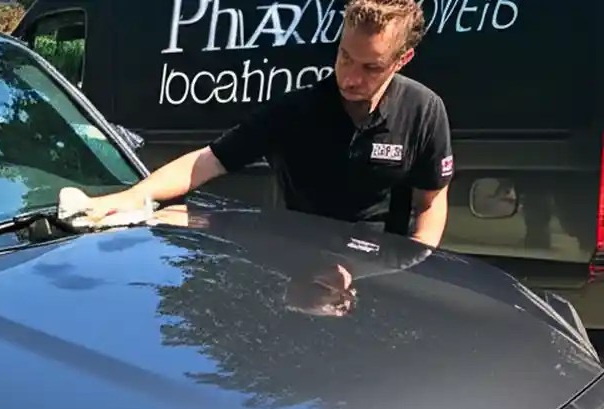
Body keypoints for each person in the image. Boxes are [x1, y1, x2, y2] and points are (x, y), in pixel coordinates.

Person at [84, 0, 454, 247]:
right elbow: (208, 161)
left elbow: (430, 204)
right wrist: (130, 198)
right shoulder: (298, 110)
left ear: (402, 59)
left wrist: (413, 270)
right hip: (303, 260)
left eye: (371, 67)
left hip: (382, 272)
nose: (350, 77)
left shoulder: (423, 110)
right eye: (344, 57)